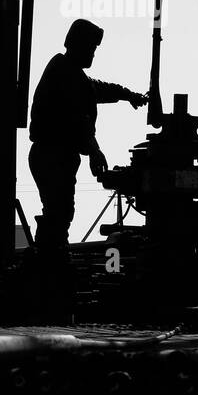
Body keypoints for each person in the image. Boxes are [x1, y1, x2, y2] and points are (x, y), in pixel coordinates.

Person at [28, 19, 146, 272]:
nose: (93, 53)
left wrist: (127, 95)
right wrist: (94, 150)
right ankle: (49, 265)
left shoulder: (69, 72)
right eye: (91, 48)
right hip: (52, 155)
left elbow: (96, 90)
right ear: (78, 45)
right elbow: (76, 120)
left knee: (58, 211)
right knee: (59, 212)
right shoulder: (65, 73)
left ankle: (49, 261)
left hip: (52, 155)